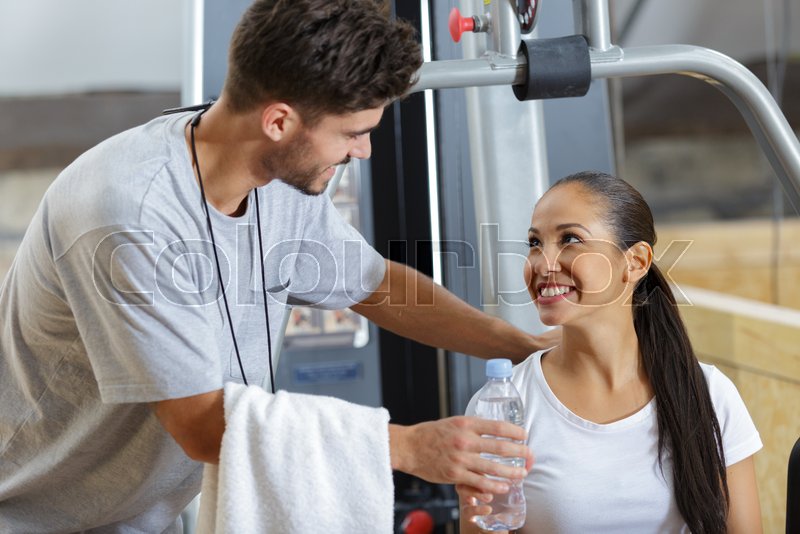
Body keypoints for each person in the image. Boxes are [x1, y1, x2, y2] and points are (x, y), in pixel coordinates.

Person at [0, 1, 555, 531]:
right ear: (279, 121)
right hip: (29, 515)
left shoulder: (277, 182)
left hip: (132, 516)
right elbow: (199, 427)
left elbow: (376, 286)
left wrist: (520, 347)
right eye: (354, 133)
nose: (364, 153)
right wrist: (411, 448)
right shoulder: (130, 215)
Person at [458, 171, 763, 533]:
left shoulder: (709, 394)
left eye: (570, 239)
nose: (542, 263)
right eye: (535, 243)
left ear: (635, 262)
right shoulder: (504, 406)